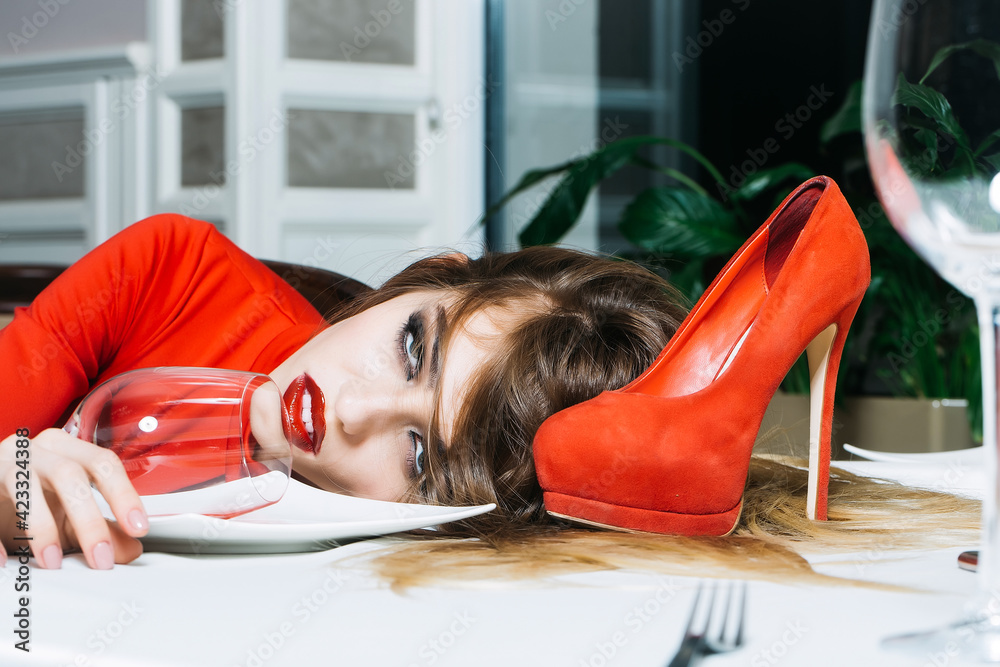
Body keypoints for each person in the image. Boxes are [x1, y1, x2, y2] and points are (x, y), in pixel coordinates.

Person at [0, 211, 687, 570]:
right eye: (413, 345)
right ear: (428, 274)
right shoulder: (170, 276)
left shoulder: (424, 552)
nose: (351, 412)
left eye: (420, 457)